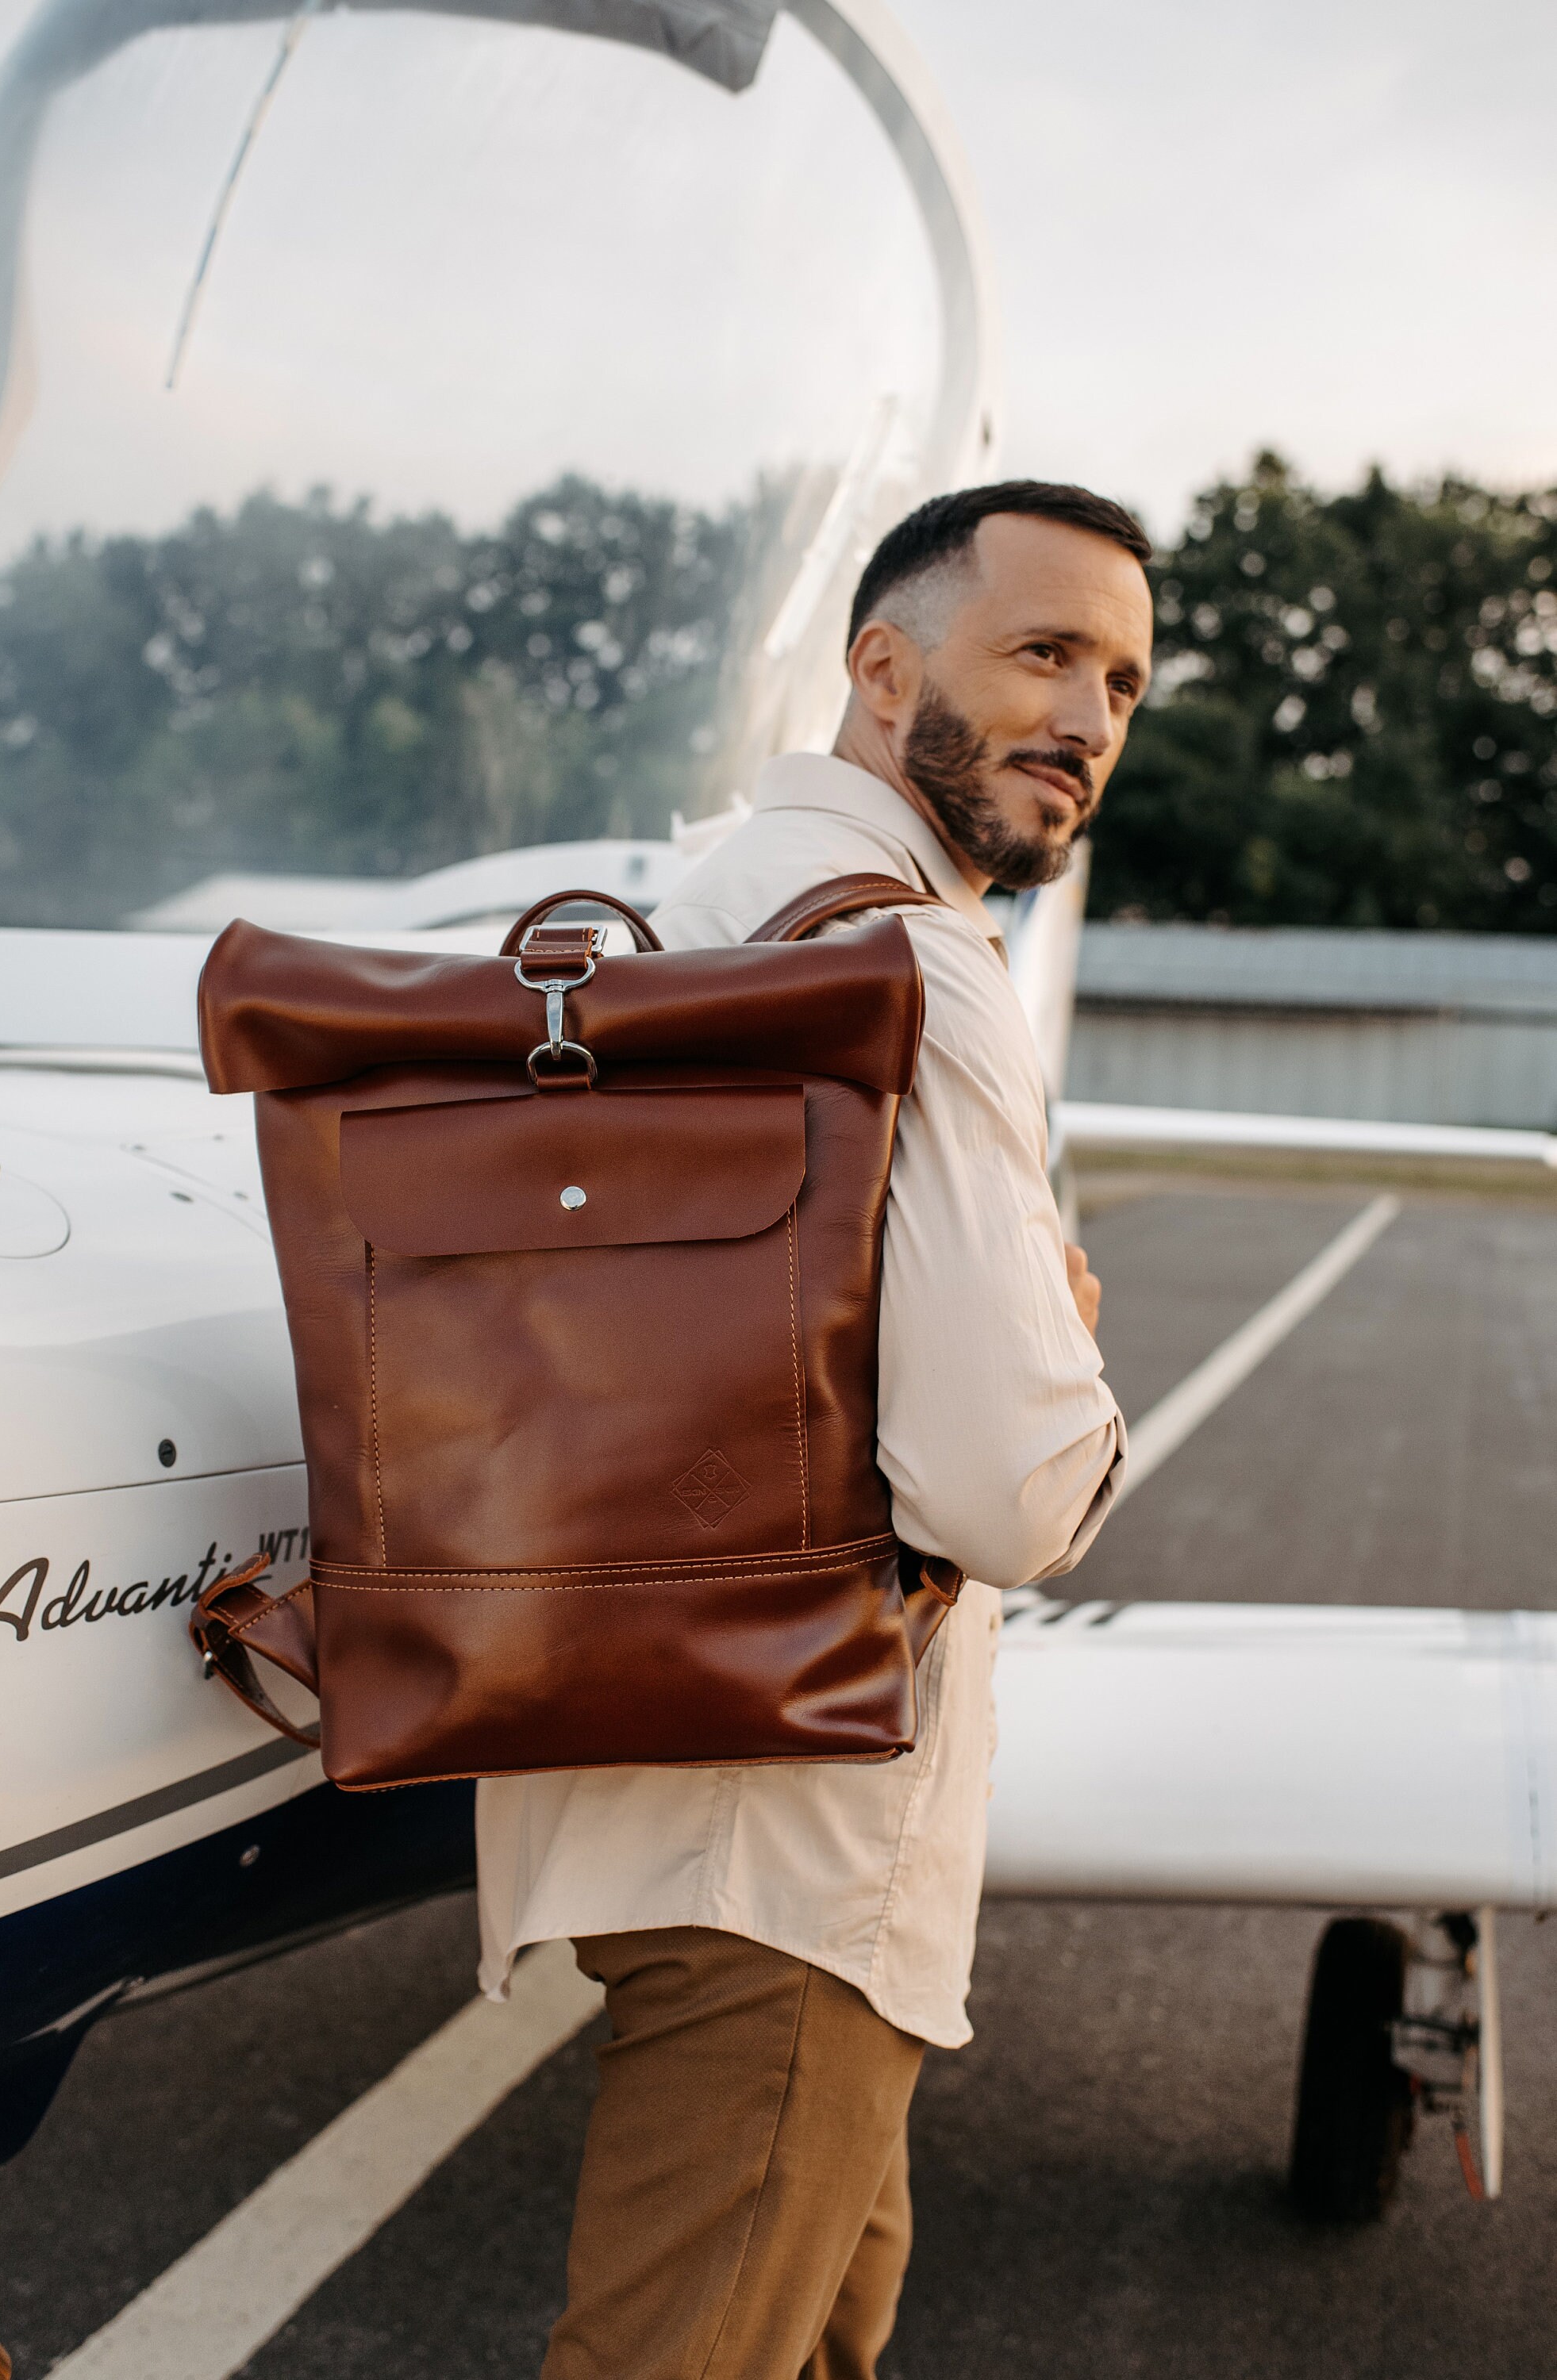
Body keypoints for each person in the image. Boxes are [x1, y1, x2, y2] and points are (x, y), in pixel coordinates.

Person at [475, 479, 1153, 2378]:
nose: (1089, 722)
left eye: (1121, 682)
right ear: (880, 668)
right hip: (800, 1831)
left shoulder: (687, 903)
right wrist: (1077, 1371)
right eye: (1040, 653)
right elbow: (1006, 1492)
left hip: (633, 1749)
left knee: (829, 2325)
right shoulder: (913, 962)